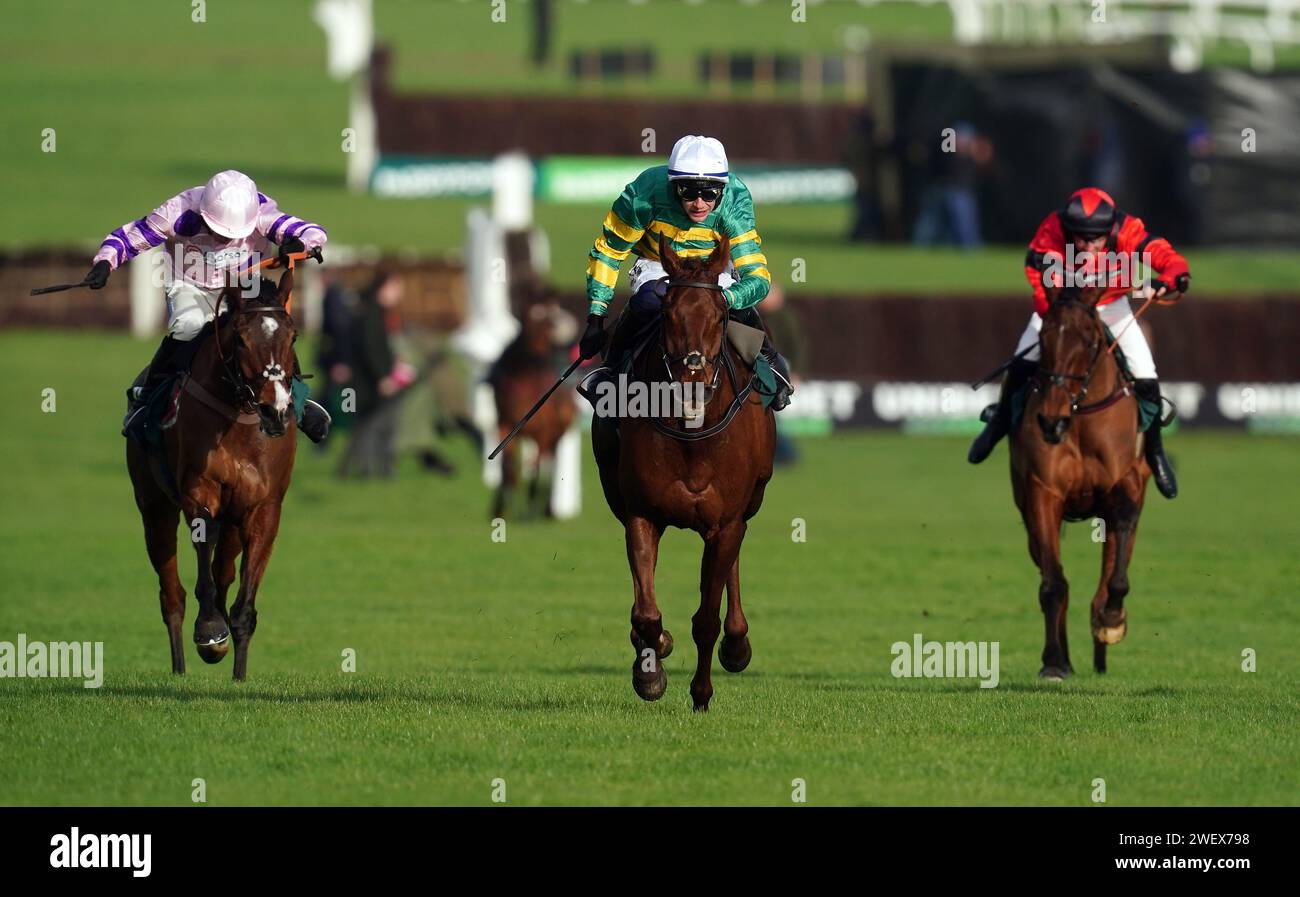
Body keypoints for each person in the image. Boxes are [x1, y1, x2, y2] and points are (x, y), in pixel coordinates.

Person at [967, 187, 1190, 499]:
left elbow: (1164, 255)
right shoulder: (1052, 230)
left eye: (1095, 239)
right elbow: (1039, 279)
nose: (1087, 245)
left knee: (1146, 373)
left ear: (1108, 230)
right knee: (1021, 362)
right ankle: (998, 425)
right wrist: (1060, 316)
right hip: (1063, 308)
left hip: (1111, 306)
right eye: (1080, 238)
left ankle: (1155, 453)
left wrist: (1173, 276)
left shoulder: (1126, 230)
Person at [85, 169, 332, 443]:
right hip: (189, 283)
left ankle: (299, 401)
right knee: (188, 328)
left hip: (242, 286)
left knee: (270, 333)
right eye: (217, 231)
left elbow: (314, 232)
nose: (224, 240)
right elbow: (129, 237)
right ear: (203, 213)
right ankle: (148, 396)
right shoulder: (177, 211)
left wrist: (299, 244)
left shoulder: (263, 213)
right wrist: (105, 263)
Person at [574, 135, 792, 410]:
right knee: (646, 302)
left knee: (735, 307)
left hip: (712, 269)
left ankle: (769, 360)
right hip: (659, 264)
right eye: (688, 192)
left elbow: (757, 278)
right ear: (673, 186)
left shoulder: (735, 199)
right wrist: (596, 316)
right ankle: (611, 371)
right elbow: (609, 250)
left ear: (722, 191)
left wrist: (725, 300)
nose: (699, 203)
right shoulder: (646, 193)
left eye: (708, 194)